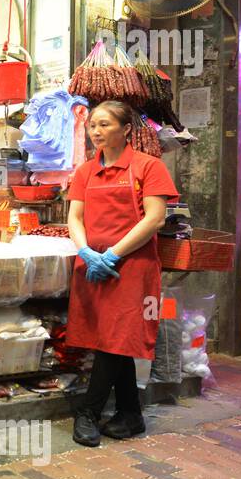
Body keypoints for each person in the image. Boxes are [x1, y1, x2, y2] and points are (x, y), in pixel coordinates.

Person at [65, 100, 179, 447]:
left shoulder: (149, 166)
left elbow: (154, 219)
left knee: (115, 337)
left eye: (104, 124)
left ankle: (88, 412)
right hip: (92, 265)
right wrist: (86, 251)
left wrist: (114, 253)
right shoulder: (85, 171)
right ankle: (131, 414)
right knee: (113, 339)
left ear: (126, 129)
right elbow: (75, 217)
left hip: (132, 266)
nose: (96, 132)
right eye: (92, 125)